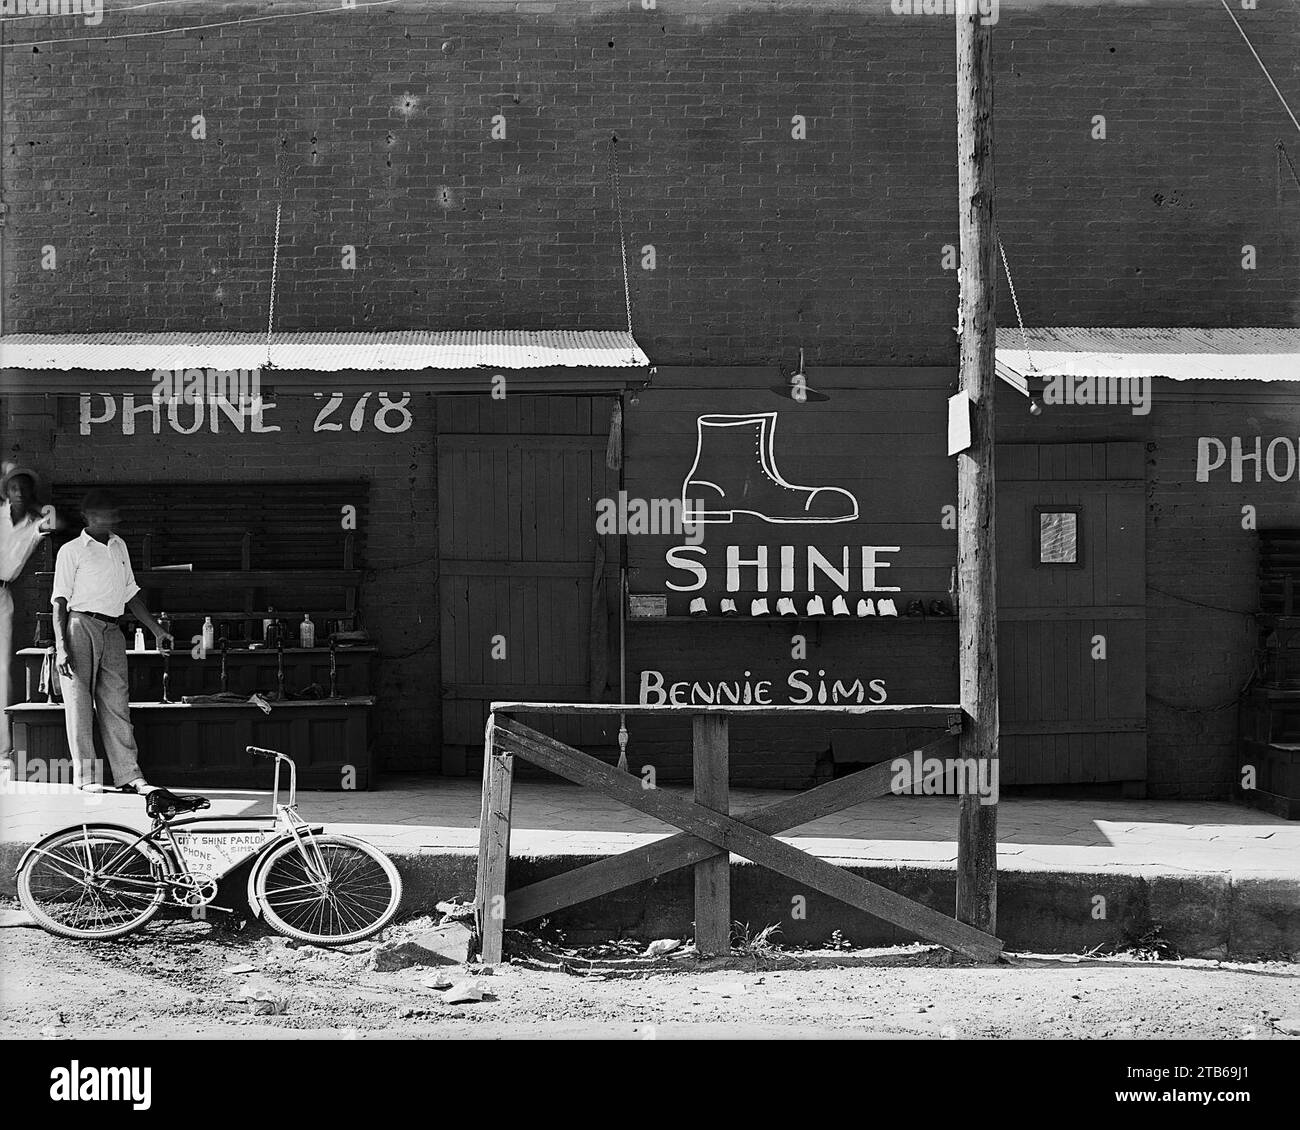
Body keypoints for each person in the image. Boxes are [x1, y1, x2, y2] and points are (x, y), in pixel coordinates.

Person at [52, 488, 173, 791]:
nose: (112, 519)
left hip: (113, 629)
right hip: (80, 625)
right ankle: (88, 778)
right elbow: (59, 602)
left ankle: (129, 775)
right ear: (88, 517)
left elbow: (130, 593)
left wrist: (157, 630)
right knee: (79, 705)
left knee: (117, 702)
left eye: (113, 514)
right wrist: (61, 647)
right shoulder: (72, 550)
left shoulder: (119, 546)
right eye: (105, 514)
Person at [0, 464, 52, 764]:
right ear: (6, 491)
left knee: (3, 672)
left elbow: (54, 522)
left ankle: (4, 750)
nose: (18, 492)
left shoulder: (35, 522)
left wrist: (40, 508)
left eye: (23, 487)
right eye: (13, 487)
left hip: (3, 593)